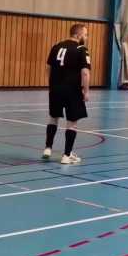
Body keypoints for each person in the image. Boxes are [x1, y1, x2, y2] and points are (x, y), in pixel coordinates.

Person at [42, 24, 91, 165]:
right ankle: (66, 155)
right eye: (85, 35)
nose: (86, 38)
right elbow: (85, 72)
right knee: (72, 123)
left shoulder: (56, 46)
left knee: (53, 118)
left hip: (55, 89)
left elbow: (48, 68)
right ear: (78, 35)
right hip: (72, 90)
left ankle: (48, 148)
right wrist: (86, 91)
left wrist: (52, 85)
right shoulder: (82, 49)